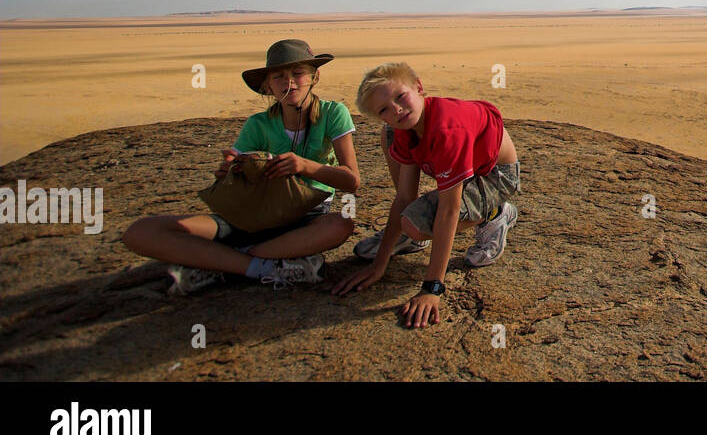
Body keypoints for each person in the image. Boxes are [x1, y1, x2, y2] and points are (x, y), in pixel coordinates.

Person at [122, 39, 359, 294]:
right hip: (251, 215)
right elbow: (235, 166)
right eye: (279, 76)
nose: (289, 82)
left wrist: (303, 166)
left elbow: (351, 181)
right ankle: (265, 267)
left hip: (307, 217)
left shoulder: (333, 113)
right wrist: (228, 173)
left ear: (315, 77)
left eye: (298, 73)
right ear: (267, 85)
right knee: (141, 231)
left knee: (340, 224)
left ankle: (221, 261)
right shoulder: (257, 124)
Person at [332, 62, 520, 328]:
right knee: (389, 138)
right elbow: (404, 197)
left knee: (415, 224)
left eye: (400, 97)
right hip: (465, 167)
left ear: (419, 87)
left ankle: (494, 213)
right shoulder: (401, 128)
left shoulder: (448, 130)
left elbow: (449, 210)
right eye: (384, 109)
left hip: (495, 176)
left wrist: (433, 288)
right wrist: (379, 264)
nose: (396, 109)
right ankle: (409, 239)